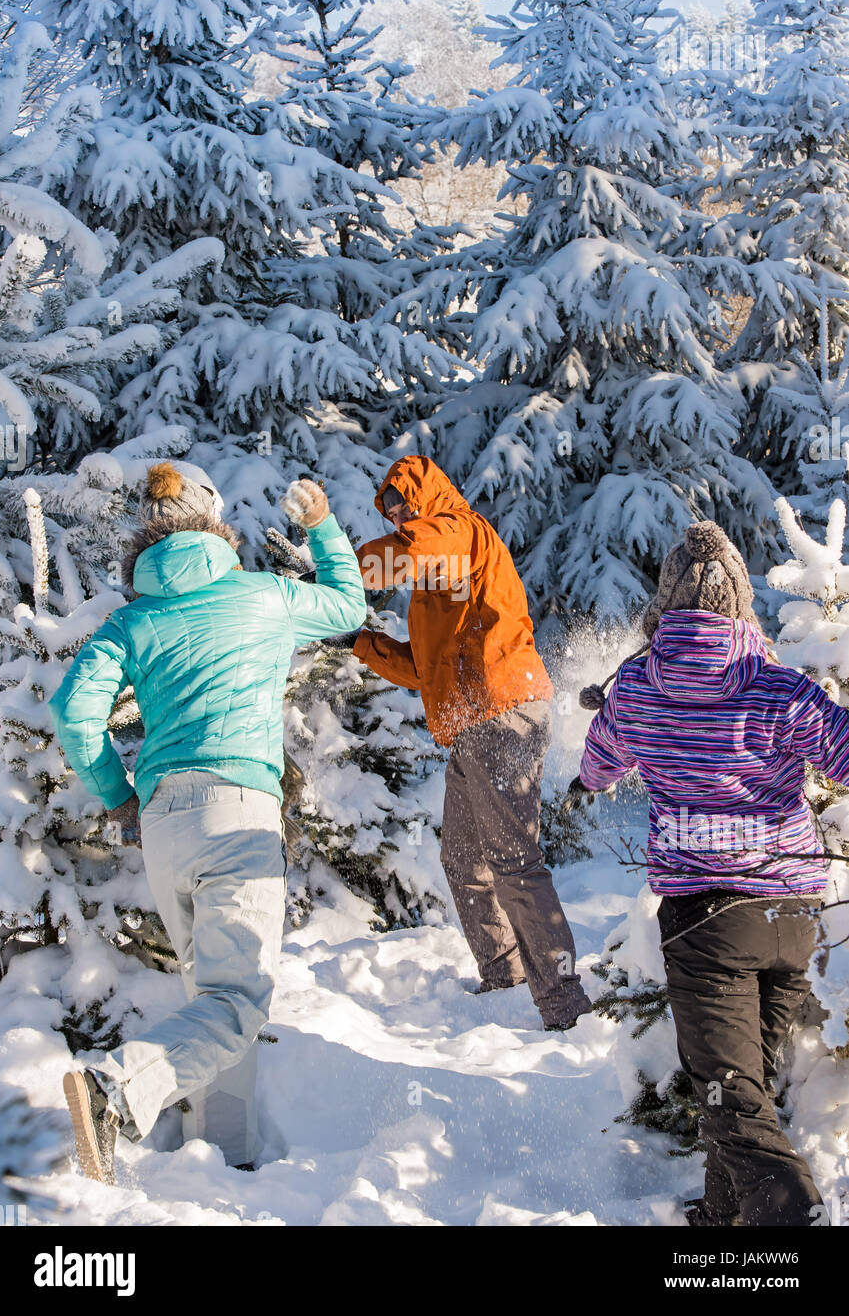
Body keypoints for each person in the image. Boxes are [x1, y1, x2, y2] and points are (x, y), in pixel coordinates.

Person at [51, 464, 366, 1183]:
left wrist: (117, 794)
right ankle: (116, 1090)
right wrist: (319, 524)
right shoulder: (264, 595)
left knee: (215, 995)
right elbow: (349, 606)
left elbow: (73, 711)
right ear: (214, 522)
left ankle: (223, 1159)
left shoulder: (132, 619)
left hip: (164, 822)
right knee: (236, 997)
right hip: (238, 812)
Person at [575, 518, 848, 1226]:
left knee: (728, 1090)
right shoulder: (777, 687)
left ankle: (793, 1214)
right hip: (790, 913)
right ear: (739, 606)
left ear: (665, 603)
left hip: (706, 920)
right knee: (744, 1086)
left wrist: (619, 737)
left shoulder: (634, 686)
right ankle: (725, 1220)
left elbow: (595, 767)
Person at [342, 454, 591, 1031]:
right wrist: (362, 643)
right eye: (391, 506)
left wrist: (340, 574)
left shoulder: (458, 531)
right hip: (474, 724)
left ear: (426, 497)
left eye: (405, 501)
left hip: (502, 713)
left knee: (513, 864)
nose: (399, 513)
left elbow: (407, 551)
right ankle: (505, 978)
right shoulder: (438, 576)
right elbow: (428, 668)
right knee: (462, 859)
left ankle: (565, 1003)